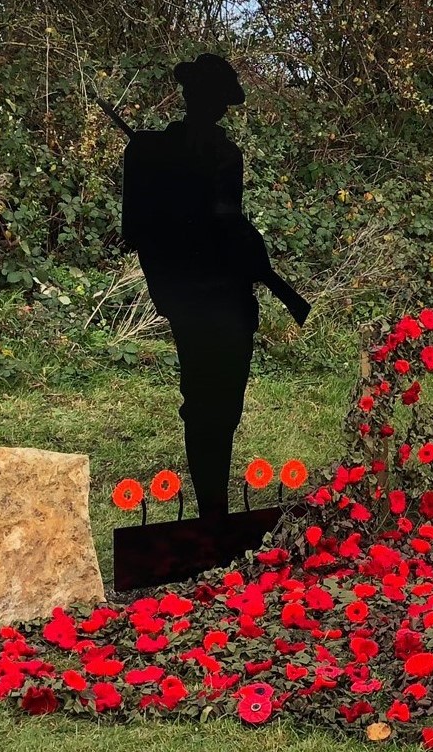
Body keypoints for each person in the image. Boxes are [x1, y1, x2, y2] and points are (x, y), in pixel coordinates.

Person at [120, 53, 310, 519]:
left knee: (225, 402)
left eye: (221, 101)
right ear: (191, 97)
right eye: (211, 97)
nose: (217, 108)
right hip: (192, 293)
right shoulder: (152, 152)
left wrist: (256, 263)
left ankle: (216, 511)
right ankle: (212, 512)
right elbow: (141, 229)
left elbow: (231, 220)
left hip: (229, 294)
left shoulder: (225, 154)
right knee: (202, 400)